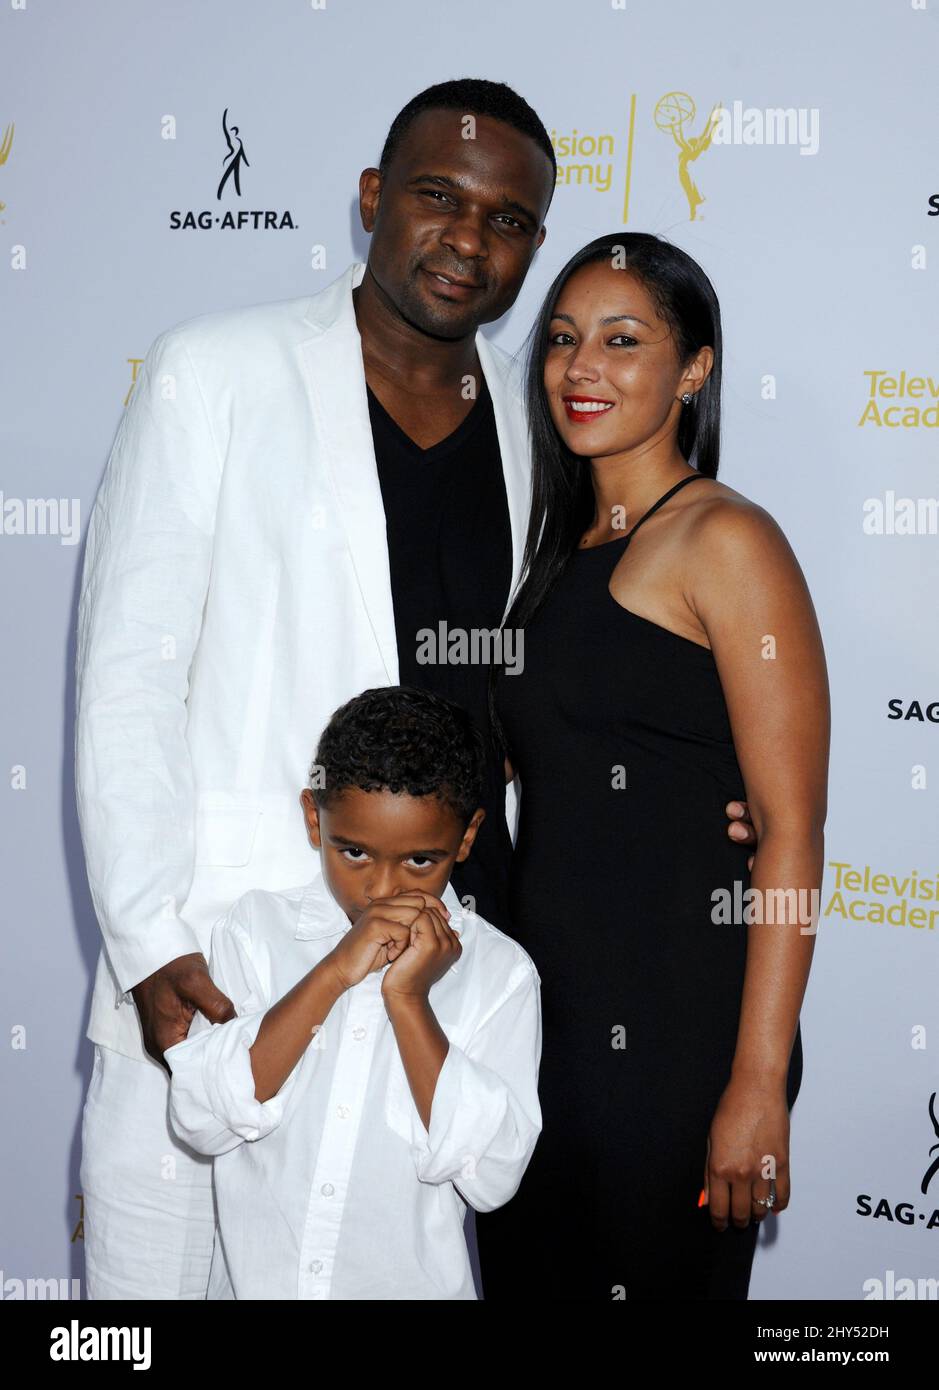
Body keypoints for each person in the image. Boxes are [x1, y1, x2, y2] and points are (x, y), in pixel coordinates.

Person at [75, 78, 756, 1300]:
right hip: (223, 964)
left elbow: (532, 679)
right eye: (439, 197)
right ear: (374, 199)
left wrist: (701, 801)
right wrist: (145, 934)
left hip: (437, 975)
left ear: (533, 248)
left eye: (505, 219)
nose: (467, 238)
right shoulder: (212, 370)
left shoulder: (537, 432)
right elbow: (127, 672)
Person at [475, 233, 830, 1301]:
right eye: (564, 341)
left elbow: (791, 832)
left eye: (624, 341)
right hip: (547, 1027)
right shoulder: (547, 553)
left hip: (682, 1030)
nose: (583, 369)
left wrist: (758, 1081)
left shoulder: (727, 539)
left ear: (695, 369)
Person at [163, 686, 541, 1300]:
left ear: (468, 838)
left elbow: (493, 1177)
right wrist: (334, 972)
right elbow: (201, 1117)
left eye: (420, 861)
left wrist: (410, 1002)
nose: (382, 889)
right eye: (355, 852)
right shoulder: (257, 932)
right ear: (315, 819)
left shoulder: (500, 974)